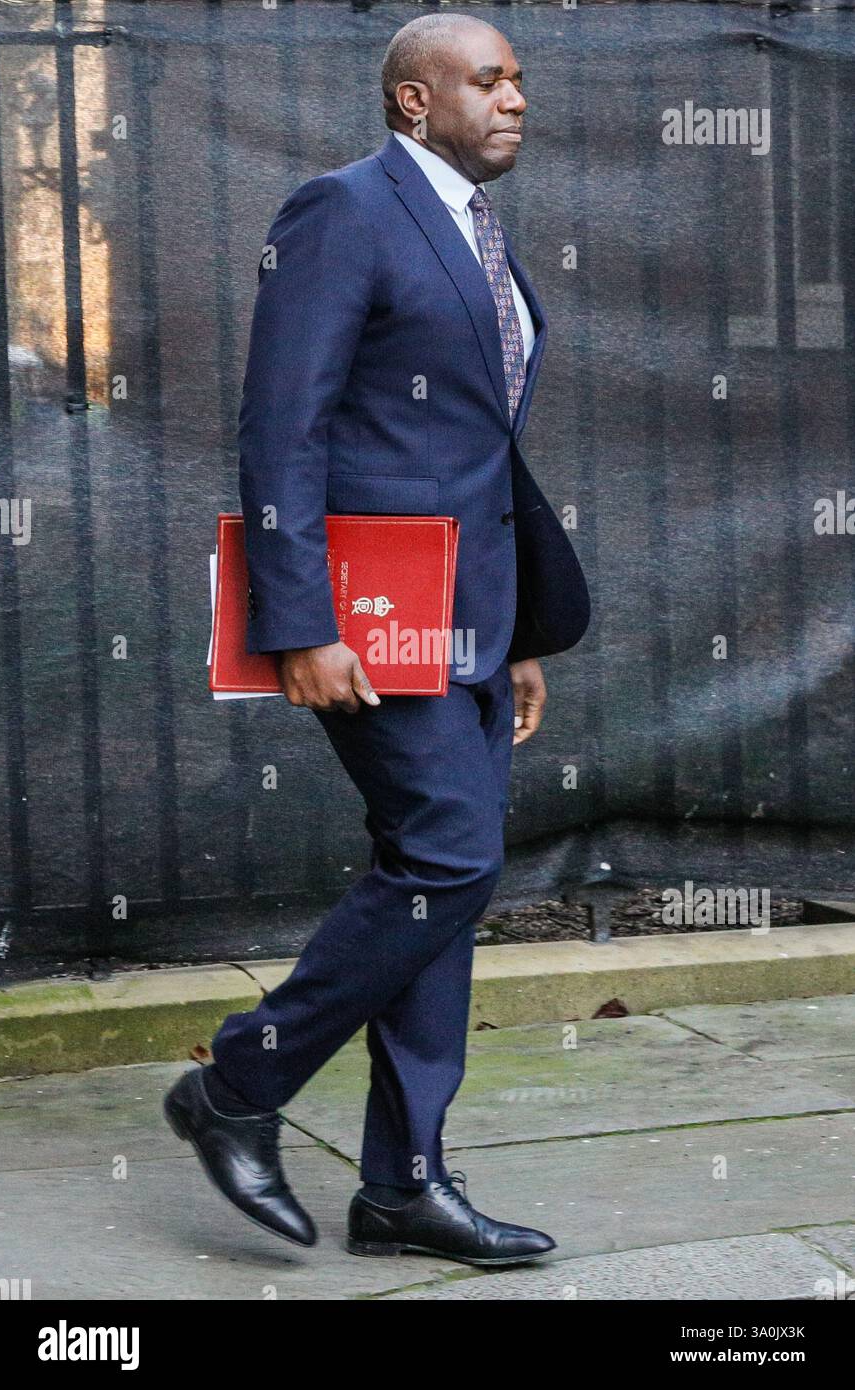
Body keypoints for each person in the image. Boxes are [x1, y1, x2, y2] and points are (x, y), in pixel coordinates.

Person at [165, 12, 589, 1267]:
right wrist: (298, 620)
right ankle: (237, 1086)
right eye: (488, 80)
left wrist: (512, 629)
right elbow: (279, 421)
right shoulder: (342, 210)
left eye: (519, 79)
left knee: (442, 892)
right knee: (450, 860)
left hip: (471, 618)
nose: (515, 98)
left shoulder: (479, 231)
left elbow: (471, 447)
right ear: (414, 100)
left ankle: (403, 1183)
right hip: (372, 623)